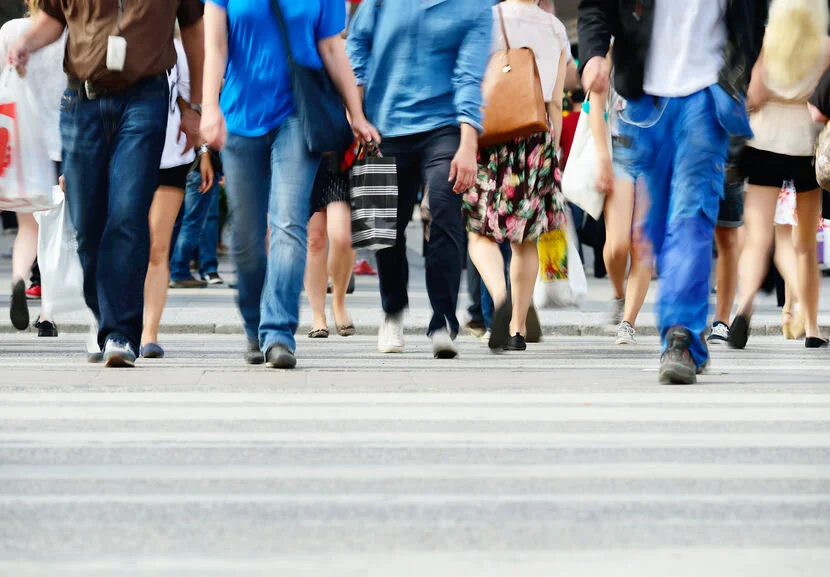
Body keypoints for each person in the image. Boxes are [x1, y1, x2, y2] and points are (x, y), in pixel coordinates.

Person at [579, 0, 767, 384]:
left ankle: (679, 336)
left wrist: (760, 60)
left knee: (690, 214)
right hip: (644, 98)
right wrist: (594, 54)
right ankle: (691, 335)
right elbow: (596, 6)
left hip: (707, 91)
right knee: (659, 229)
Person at [9, 0, 205, 367]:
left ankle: (121, 332)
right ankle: (105, 314)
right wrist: (27, 44)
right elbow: (53, 17)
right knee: (88, 223)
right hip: (81, 102)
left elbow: (194, 29)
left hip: (145, 98)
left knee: (128, 211)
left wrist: (195, 105)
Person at [201, 0, 378, 370]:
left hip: (298, 114)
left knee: (288, 223)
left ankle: (279, 332)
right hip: (240, 116)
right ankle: (254, 323)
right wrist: (210, 107)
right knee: (248, 239)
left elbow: (331, 47)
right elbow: (215, 46)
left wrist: (356, 114)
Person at [347, 0, 491, 359]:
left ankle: (443, 320)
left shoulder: (476, 7)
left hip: (443, 126)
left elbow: (469, 76)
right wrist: (356, 110)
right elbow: (357, 44)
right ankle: (392, 310)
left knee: (444, 205)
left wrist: (469, 143)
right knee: (383, 225)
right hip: (381, 124)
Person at [464, 0, 567, 352]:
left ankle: (498, 295)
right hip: (537, 139)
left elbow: (470, 80)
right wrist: (553, 153)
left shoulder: (487, 19)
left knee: (479, 232)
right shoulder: (555, 29)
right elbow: (555, 102)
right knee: (526, 240)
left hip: (492, 137)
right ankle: (518, 328)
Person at [730, 0, 829, 350]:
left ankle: (743, 308)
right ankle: (814, 328)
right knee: (804, 245)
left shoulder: (771, 39)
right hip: (806, 145)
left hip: (765, 141)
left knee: (757, 239)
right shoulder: (824, 45)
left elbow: (754, 94)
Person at [140, 38, 215, 360]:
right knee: (124, 244)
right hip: (122, 155)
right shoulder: (109, 35)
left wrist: (203, 152)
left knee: (158, 247)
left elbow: (192, 105)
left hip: (171, 156)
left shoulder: (177, 49)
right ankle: (113, 326)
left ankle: (148, 334)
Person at [0, 0, 65, 338]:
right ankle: (47, 316)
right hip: (66, 139)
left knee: (29, 227)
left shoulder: (10, 32)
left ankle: (18, 280)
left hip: (25, 143)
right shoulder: (71, 33)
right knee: (59, 233)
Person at [589, 63, 651, 345]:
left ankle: (628, 322)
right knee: (617, 245)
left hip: (656, 154)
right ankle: (618, 293)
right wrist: (602, 158)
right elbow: (596, 104)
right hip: (620, 151)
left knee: (643, 244)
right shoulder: (611, 49)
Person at [305, 157, 355, 339]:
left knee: (343, 237)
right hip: (309, 152)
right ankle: (318, 316)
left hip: (341, 155)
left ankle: (338, 301)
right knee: (314, 240)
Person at [707, 138, 747, 344]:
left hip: (728, 158)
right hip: (686, 157)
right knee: (689, 238)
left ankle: (722, 321)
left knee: (727, 240)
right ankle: (685, 320)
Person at [170, 149, 224, 289]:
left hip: (181, 167)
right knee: (192, 223)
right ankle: (179, 271)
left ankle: (172, 270)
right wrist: (205, 157)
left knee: (180, 222)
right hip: (200, 168)